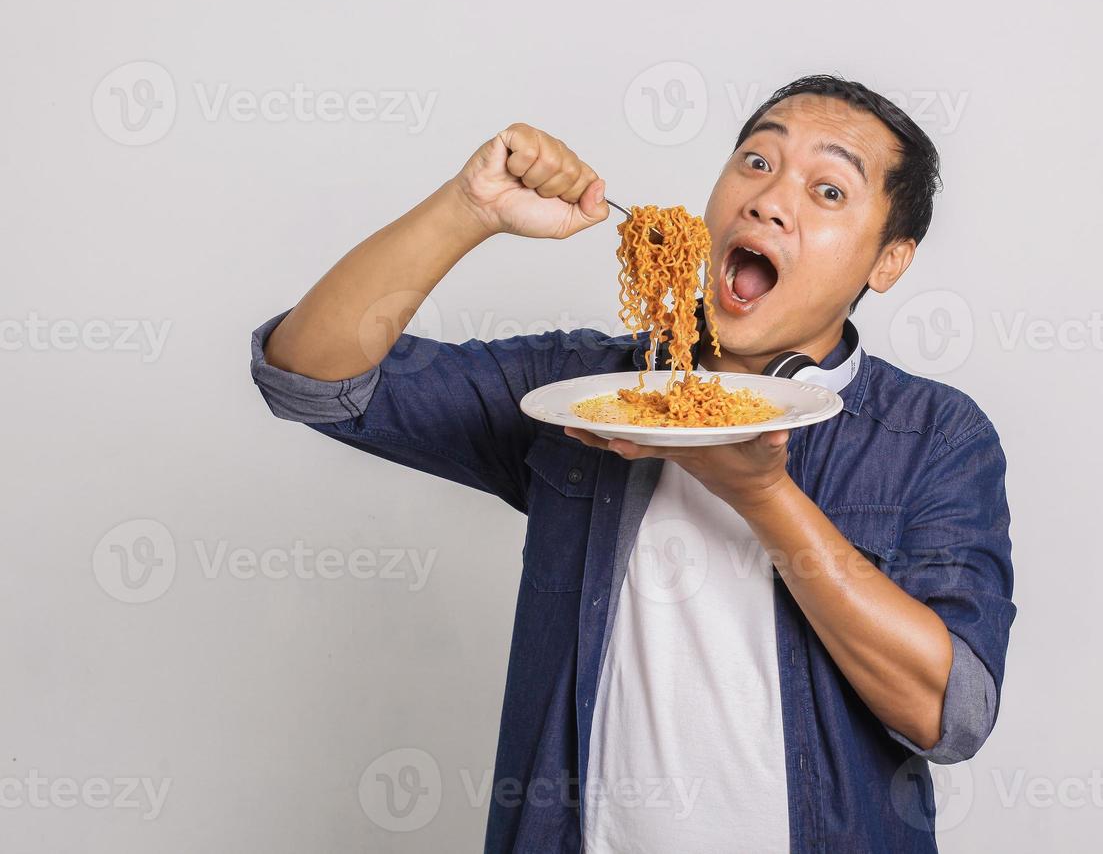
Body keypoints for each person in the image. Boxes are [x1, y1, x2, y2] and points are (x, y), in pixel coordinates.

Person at [250, 75, 1016, 853]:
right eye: (756, 161)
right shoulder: (587, 390)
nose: (769, 199)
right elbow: (309, 379)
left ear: (888, 260)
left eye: (826, 189)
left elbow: (948, 714)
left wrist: (762, 494)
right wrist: (467, 210)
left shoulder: (935, 436)